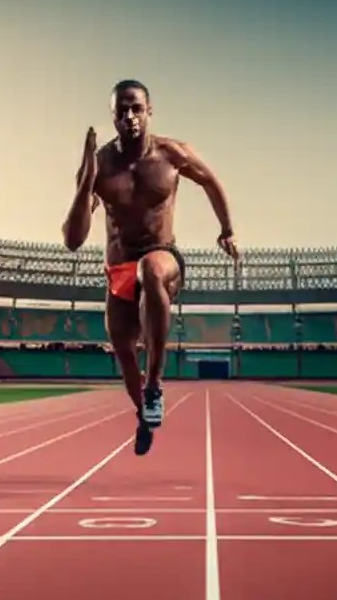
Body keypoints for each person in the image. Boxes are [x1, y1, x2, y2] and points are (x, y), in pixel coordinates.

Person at [61, 79, 239, 455]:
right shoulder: (101, 165)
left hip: (162, 255)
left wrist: (227, 229)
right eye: (121, 110)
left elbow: (212, 181)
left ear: (149, 110)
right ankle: (144, 415)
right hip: (118, 269)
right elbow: (73, 239)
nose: (129, 116)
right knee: (123, 351)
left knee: (150, 270)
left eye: (136, 108)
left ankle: (154, 385)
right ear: (112, 116)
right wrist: (86, 181)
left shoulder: (173, 154)